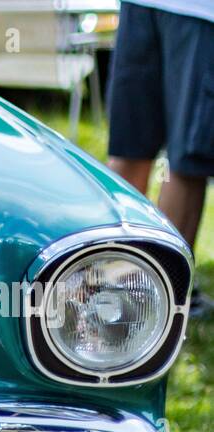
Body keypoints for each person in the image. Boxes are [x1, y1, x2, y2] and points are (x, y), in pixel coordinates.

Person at [106, 0, 213, 313]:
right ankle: (161, 301)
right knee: (185, 163)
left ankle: (111, 284)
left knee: (130, 150)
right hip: (199, 13)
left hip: (143, 6)